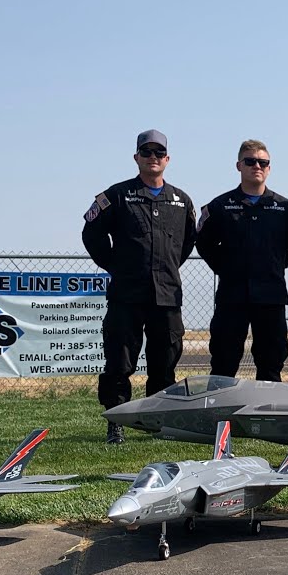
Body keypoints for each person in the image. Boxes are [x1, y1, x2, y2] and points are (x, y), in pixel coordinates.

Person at [82, 129, 197, 444]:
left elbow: (186, 243)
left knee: (164, 364)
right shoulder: (117, 195)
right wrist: (115, 265)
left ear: (167, 159)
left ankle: (158, 422)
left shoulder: (182, 201)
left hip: (167, 296)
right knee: (120, 361)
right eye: (146, 153)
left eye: (159, 153)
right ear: (136, 158)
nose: (153, 158)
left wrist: (167, 268)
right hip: (127, 295)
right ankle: (116, 421)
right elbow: (91, 234)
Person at [196, 139, 288, 382]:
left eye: (263, 162)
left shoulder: (284, 208)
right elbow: (203, 243)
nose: (257, 166)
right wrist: (226, 268)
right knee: (224, 361)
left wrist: (276, 265)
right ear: (239, 165)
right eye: (250, 161)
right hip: (232, 296)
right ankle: (221, 415)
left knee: (271, 361)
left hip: (271, 295)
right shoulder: (221, 206)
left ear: (269, 168)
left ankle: (267, 417)